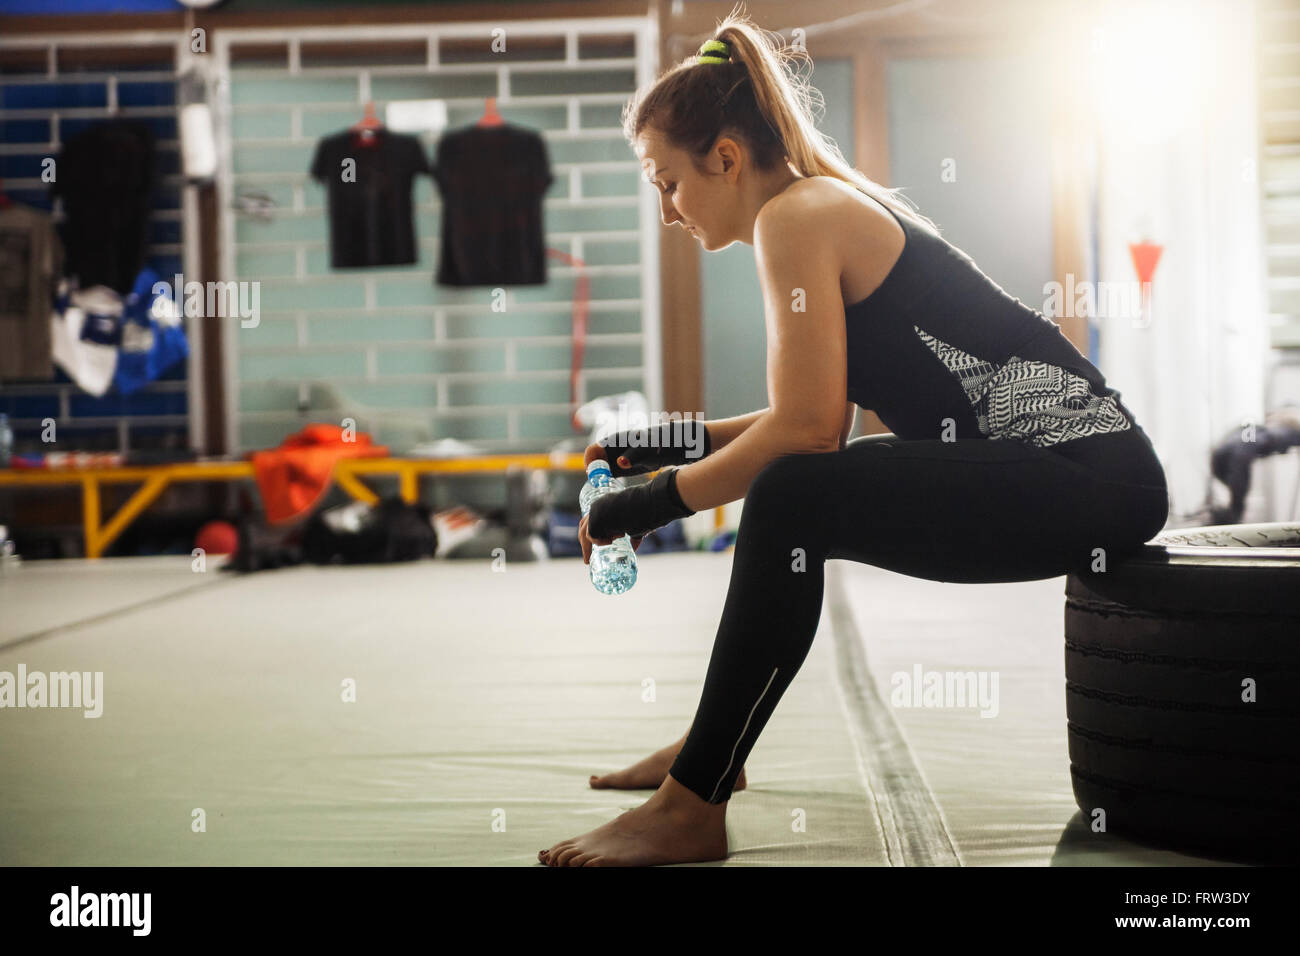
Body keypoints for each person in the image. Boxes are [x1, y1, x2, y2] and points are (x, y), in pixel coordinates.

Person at [540, 9, 1169, 867]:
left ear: (725, 157)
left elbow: (803, 439)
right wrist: (657, 443)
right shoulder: (812, 208)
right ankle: (709, 751)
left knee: (793, 496)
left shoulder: (797, 218)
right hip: (1073, 472)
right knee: (798, 490)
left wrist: (641, 506)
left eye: (667, 183)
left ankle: (695, 800)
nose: (668, 213)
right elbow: (813, 415)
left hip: (1089, 475)